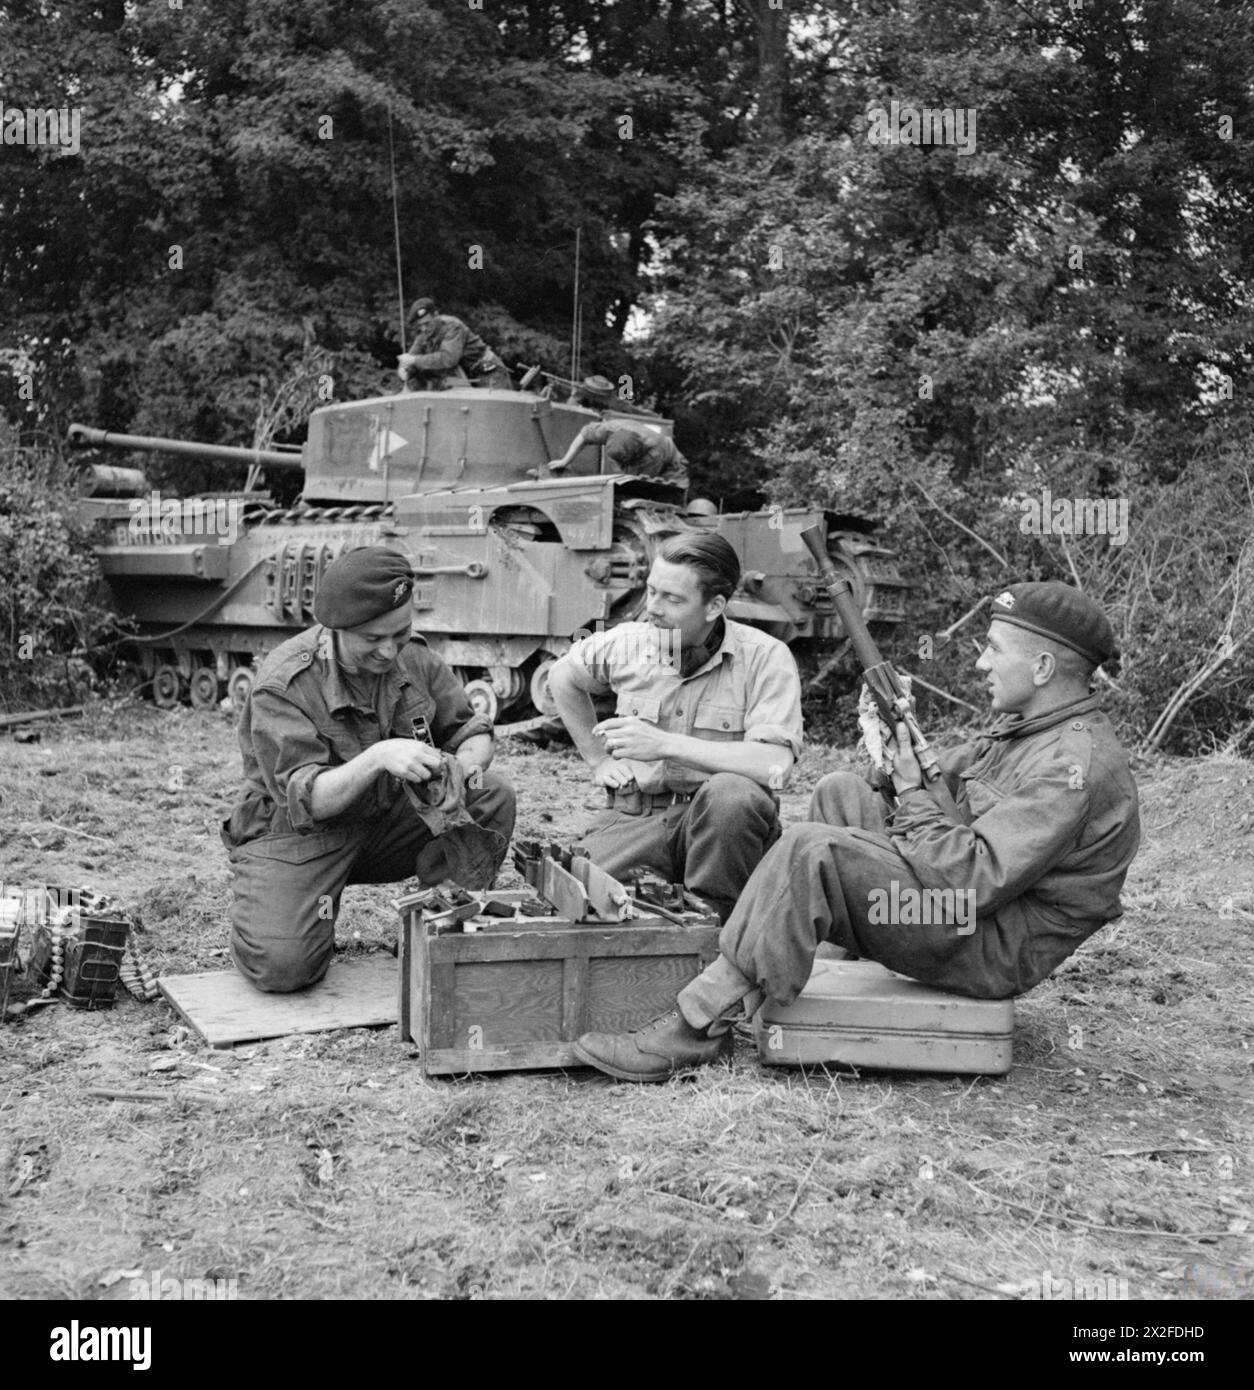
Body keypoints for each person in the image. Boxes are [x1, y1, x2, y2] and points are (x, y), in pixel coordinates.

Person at [573, 581, 1141, 1081]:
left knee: (809, 850)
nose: (981, 666)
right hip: (961, 910)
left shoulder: (1073, 767)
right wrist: (895, 757)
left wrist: (914, 791)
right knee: (842, 793)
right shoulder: (1028, 730)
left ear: (1042, 669)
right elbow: (938, 790)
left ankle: (697, 1026)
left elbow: (968, 878)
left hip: (985, 940)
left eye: (993, 650)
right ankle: (829, 970)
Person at [222, 546, 516, 992]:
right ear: (335, 631)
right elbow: (311, 800)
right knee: (283, 967)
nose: (388, 650)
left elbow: (470, 730)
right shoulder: (283, 686)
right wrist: (379, 756)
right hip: (299, 834)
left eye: (399, 633)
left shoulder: (411, 656)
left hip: (382, 823)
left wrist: (459, 768)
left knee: (489, 793)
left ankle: (436, 925)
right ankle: (278, 905)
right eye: (373, 639)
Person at [547, 533, 803, 926]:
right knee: (566, 901)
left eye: (672, 598)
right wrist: (597, 760)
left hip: (722, 834)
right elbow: (562, 676)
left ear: (714, 605)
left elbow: (775, 766)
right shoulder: (627, 643)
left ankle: (716, 927)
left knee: (732, 794)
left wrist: (665, 744)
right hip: (638, 819)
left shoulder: (765, 657)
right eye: (651, 591)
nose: (652, 609)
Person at [397, 297, 511, 390]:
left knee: (494, 412)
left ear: (436, 315)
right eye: (420, 325)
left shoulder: (452, 327)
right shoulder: (424, 336)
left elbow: (448, 358)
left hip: (488, 373)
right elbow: (411, 357)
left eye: (427, 324)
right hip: (465, 377)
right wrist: (405, 371)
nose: (424, 328)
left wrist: (414, 360)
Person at [546, 420, 689, 489]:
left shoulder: (653, 453)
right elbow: (584, 436)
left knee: (665, 499)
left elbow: (639, 483)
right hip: (638, 457)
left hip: (672, 467)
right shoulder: (609, 430)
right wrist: (565, 460)